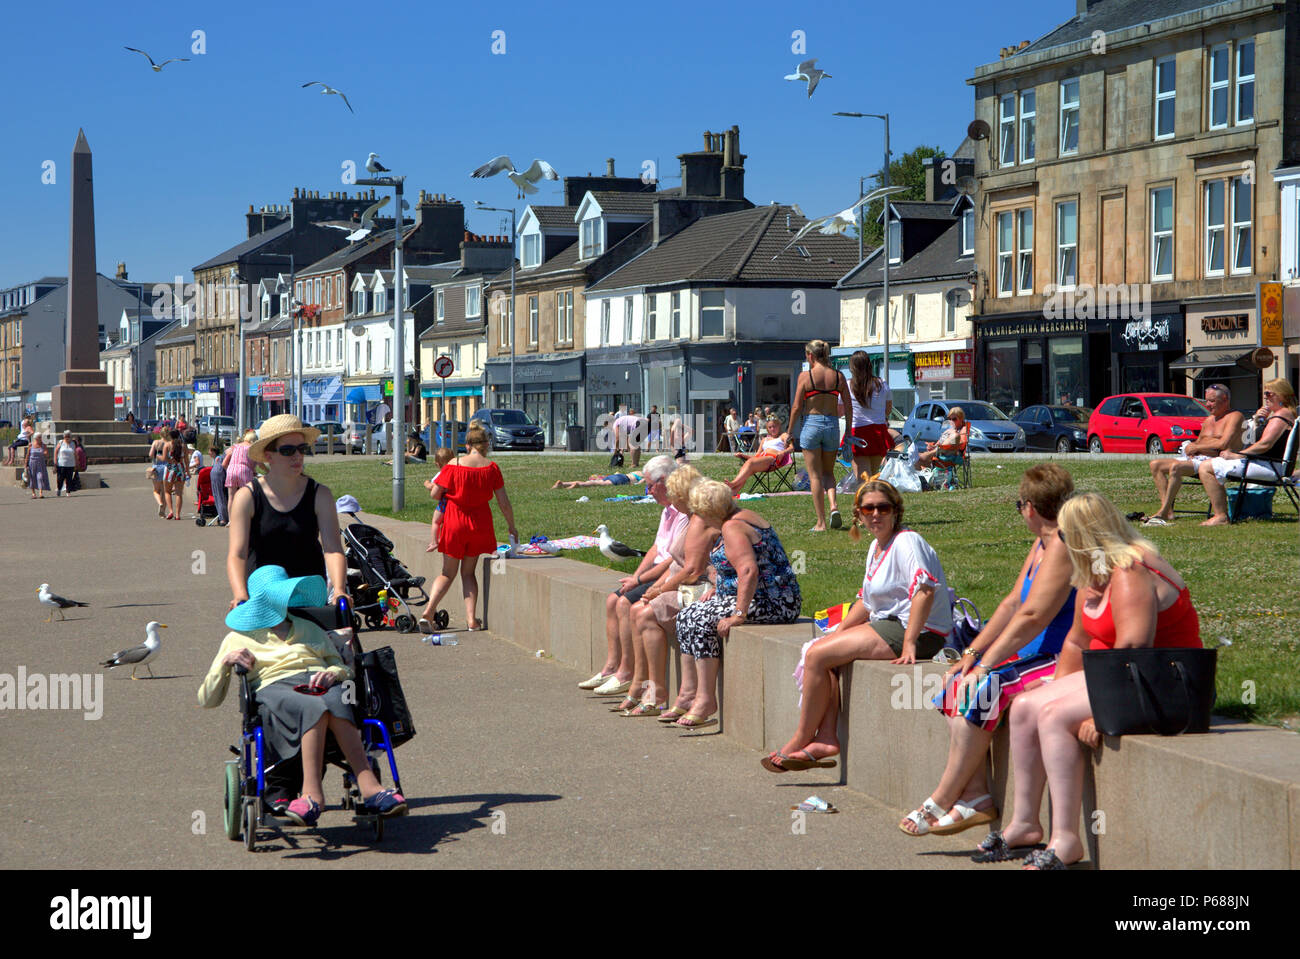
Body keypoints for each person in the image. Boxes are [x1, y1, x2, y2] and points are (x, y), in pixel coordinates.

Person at [988, 493, 1201, 869]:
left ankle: (1066, 840)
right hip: (1117, 673)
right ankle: (1024, 823)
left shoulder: (1131, 571)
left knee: (1054, 715)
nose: (1061, 545)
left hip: (1162, 683)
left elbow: (1134, 649)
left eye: (1066, 537)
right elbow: (1077, 641)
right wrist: (1056, 684)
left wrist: (1098, 714)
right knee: (1024, 707)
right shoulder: (1094, 570)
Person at [899, 465, 1077, 836]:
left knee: (983, 687)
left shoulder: (1062, 544)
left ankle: (942, 797)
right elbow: (1013, 603)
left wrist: (987, 665)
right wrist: (972, 654)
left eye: (1019, 506)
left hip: (1059, 658)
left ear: (1029, 507)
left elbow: (1033, 615)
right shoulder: (1041, 543)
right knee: (953, 687)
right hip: (1029, 653)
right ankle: (977, 794)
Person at [763, 480, 952, 772]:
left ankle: (801, 738)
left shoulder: (907, 542)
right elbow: (866, 601)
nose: (875, 514)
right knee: (820, 649)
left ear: (895, 511)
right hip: (889, 624)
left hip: (921, 632)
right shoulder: (877, 547)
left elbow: (925, 589)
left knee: (816, 656)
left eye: (883, 508)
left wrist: (911, 641)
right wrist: (839, 631)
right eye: (868, 509)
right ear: (859, 515)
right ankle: (825, 737)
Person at [199, 565, 405, 827]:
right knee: (314, 704)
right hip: (275, 687)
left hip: (321, 682)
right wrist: (225, 662)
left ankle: (371, 788)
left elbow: (343, 667)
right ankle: (311, 794)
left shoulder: (309, 628)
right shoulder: (238, 638)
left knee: (339, 697)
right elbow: (207, 699)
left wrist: (333, 673)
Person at [675, 480, 802, 729]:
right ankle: (689, 692)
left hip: (772, 602)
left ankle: (705, 699)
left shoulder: (733, 527)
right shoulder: (740, 516)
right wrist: (719, 588)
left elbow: (748, 570)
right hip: (767, 597)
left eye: (699, 513)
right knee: (686, 614)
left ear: (710, 511)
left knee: (697, 619)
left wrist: (738, 614)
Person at [579, 456, 688, 697]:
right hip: (654, 572)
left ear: (665, 481)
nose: (648, 491)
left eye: (650, 485)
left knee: (625, 603)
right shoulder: (667, 512)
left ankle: (627, 672)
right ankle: (611, 666)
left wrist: (639, 582)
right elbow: (655, 549)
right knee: (612, 600)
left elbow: (673, 559)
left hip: (668, 575)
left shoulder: (682, 512)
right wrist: (636, 576)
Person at [629, 466, 715, 717]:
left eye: (674, 493)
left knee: (645, 613)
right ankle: (646, 685)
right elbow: (678, 564)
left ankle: (658, 692)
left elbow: (691, 569)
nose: (671, 499)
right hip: (689, 583)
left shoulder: (697, 518)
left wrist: (659, 590)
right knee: (638, 609)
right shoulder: (690, 516)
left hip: (700, 586)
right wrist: (655, 587)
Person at [418, 423, 519, 632]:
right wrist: (511, 526)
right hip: (479, 523)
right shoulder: (491, 468)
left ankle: (429, 611)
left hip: (455, 521)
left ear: (467, 444)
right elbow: (504, 502)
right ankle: (472, 620)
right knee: (468, 573)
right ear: (486, 444)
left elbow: (435, 494)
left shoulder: (453, 465)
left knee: (447, 573)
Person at [1198, 378, 1297, 526]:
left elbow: (1265, 444)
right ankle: (1222, 513)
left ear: (1281, 395)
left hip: (1268, 466)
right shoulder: (1281, 415)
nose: (1265, 397)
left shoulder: (1280, 416)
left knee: (1206, 467)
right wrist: (1258, 421)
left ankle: (1220, 516)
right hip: (1268, 464)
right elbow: (1252, 440)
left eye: (1268, 393)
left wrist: (1238, 455)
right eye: (1264, 393)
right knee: (1211, 464)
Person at [1146, 383, 1244, 525]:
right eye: (1206, 401)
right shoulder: (1209, 420)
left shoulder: (1234, 416)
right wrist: (1192, 447)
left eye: (1212, 401)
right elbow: (1199, 442)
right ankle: (1169, 512)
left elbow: (1223, 444)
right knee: (1155, 465)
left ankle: (1163, 511)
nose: (1208, 405)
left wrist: (1198, 446)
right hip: (1198, 458)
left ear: (1225, 400)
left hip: (1215, 460)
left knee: (1175, 467)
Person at [786, 339, 852, 531]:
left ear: (811, 356)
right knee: (828, 473)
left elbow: (797, 406)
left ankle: (821, 522)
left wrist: (789, 432)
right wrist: (847, 431)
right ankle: (834, 506)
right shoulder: (838, 377)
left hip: (812, 424)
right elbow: (848, 405)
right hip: (832, 425)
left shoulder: (805, 377)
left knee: (815, 477)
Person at [847, 350, 893, 478]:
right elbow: (888, 409)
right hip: (878, 431)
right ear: (869, 365)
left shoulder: (849, 385)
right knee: (873, 473)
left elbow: (841, 410)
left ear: (853, 367)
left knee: (863, 476)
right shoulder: (881, 383)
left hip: (858, 431)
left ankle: (866, 497)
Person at [725, 417, 790, 491]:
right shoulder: (764, 440)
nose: (772, 429)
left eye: (774, 426)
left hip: (773, 460)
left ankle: (733, 483)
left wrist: (783, 452)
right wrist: (743, 455)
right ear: (767, 429)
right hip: (761, 459)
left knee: (750, 463)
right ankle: (734, 491)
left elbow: (791, 448)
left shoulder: (783, 436)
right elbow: (756, 456)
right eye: (770, 427)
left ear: (779, 426)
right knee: (748, 468)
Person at [423, 447, 457, 552]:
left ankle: (434, 542)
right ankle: (441, 538)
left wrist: (426, 483)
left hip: (444, 502)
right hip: (454, 502)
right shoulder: (456, 472)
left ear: (437, 464)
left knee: (436, 521)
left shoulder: (441, 474)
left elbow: (433, 488)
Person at [223, 428, 257, 502]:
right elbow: (258, 464)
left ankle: (231, 513)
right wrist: (267, 471)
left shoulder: (235, 446)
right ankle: (244, 512)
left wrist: (229, 469)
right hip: (244, 471)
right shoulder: (251, 448)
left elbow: (224, 463)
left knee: (231, 497)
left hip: (231, 470)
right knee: (246, 496)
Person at [162, 429, 187, 519]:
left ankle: (171, 511)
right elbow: (186, 460)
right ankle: (178, 514)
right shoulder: (183, 446)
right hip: (180, 469)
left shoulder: (167, 445)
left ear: (170, 436)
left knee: (167, 491)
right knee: (179, 493)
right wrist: (187, 471)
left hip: (170, 469)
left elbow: (165, 458)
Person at [147, 427, 169, 516]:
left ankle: (160, 503)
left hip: (157, 467)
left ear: (160, 434)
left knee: (156, 490)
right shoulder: (168, 444)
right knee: (165, 491)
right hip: (167, 468)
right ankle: (163, 511)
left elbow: (150, 454)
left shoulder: (155, 442)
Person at [551, 470, 645, 489]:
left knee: (593, 482)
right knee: (595, 484)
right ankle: (579, 486)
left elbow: (617, 473)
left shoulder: (637, 471)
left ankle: (563, 484)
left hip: (617, 476)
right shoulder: (645, 476)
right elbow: (641, 482)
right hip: (623, 480)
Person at [26, 431, 50, 498]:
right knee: (32, 478)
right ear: (36, 438)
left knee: (40, 477)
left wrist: (46, 453)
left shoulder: (43, 445)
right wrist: (26, 465)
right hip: (32, 463)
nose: (41, 438)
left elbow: (47, 454)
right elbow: (28, 455)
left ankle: (40, 493)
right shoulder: (31, 445)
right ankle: (33, 493)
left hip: (40, 463)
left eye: (41, 437)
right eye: (39, 437)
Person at [209, 440, 228, 526]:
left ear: (213, 452)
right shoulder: (218, 459)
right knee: (220, 497)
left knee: (219, 497)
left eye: (209, 451)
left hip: (217, 478)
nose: (209, 453)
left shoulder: (218, 459)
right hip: (218, 477)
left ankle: (223, 518)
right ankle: (222, 516)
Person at [54, 430, 77, 497]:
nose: (67, 438)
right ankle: (59, 489)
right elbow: (56, 451)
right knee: (60, 478)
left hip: (70, 464)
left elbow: (75, 454)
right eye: (66, 436)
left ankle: (68, 491)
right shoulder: (61, 442)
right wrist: (55, 462)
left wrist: (76, 463)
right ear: (64, 436)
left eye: (68, 436)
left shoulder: (73, 443)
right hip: (61, 463)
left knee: (69, 478)